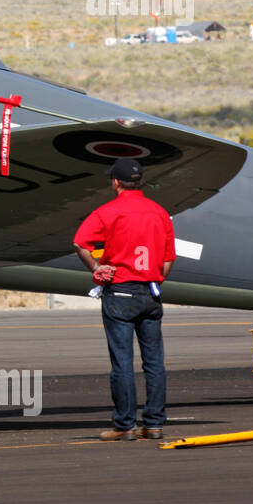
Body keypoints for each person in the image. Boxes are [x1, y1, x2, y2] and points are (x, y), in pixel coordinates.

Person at [73, 158, 175, 441]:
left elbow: (80, 243)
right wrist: (152, 279)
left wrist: (96, 267)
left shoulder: (107, 211)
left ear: (116, 182)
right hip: (151, 292)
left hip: (120, 291)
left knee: (122, 362)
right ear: (139, 181)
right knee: (154, 362)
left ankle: (125, 425)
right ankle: (154, 424)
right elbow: (167, 261)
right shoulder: (160, 213)